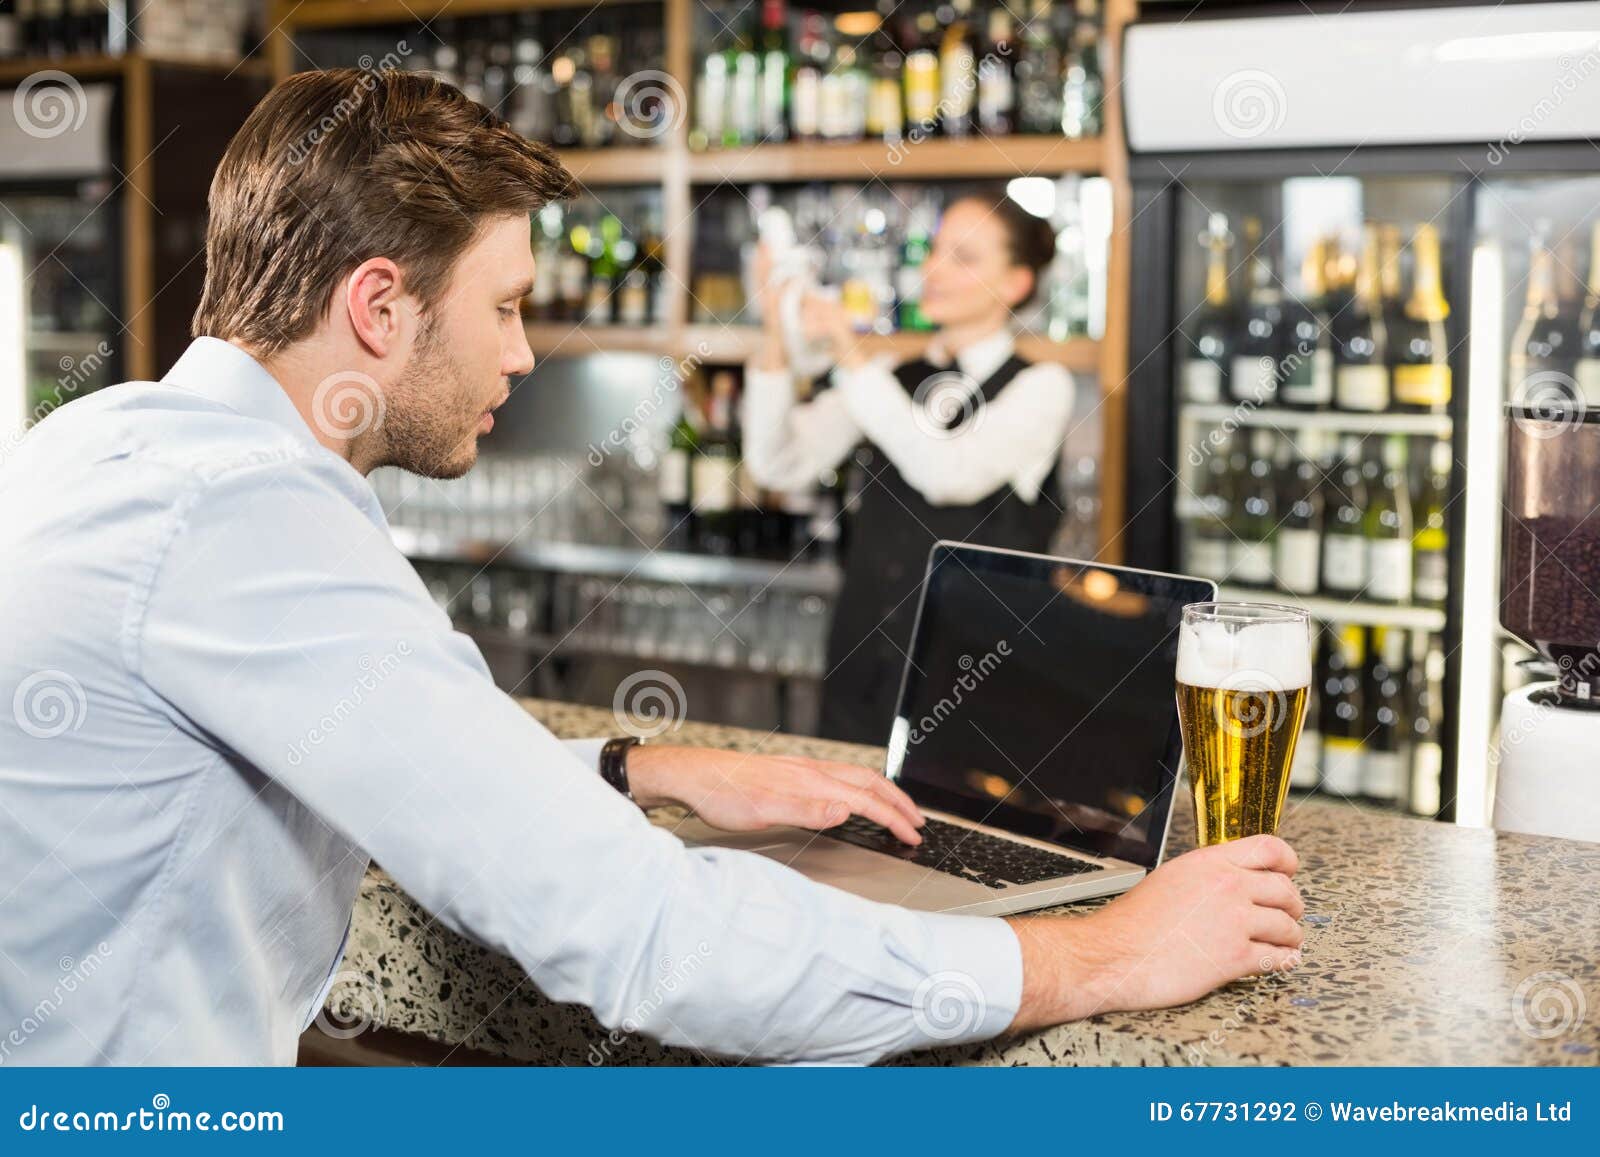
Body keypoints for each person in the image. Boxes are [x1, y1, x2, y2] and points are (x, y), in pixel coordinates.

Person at [0, 70, 1303, 1067]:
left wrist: (640, 767)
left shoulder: (115, 442)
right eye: (506, 306)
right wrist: (1096, 953)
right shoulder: (253, 519)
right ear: (379, 309)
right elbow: (646, 935)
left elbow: (378, 753)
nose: (523, 355)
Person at [743, 195, 1075, 744]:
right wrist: (776, 325)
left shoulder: (1042, 387)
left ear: (1016, 283)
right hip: (859, 672)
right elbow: (777, 463)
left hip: (975, 696)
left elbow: (946, 473)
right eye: (935, 250)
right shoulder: (891, 376)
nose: (934, 269)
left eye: (963, 257)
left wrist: (848, 352)